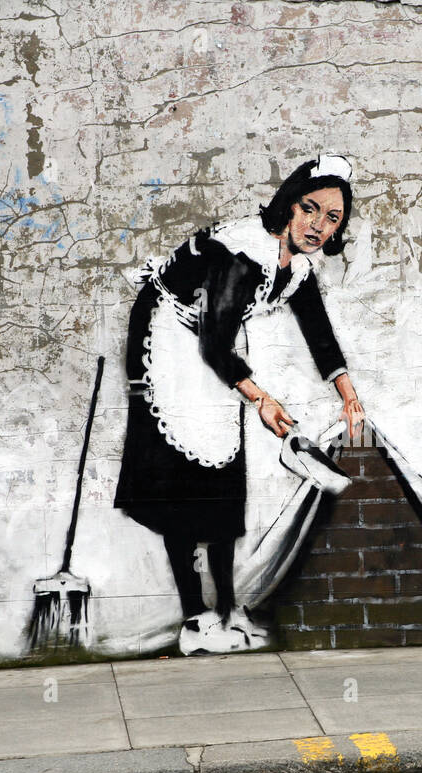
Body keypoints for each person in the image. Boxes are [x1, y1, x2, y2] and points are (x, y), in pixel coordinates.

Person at [115, 156, 367, 655]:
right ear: (288, 205)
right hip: (167, 336)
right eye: (310, 209)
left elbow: (319, 334)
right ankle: (194, 620)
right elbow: (212, 344)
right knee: (184, 479)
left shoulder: (296, 264)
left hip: (212, 341)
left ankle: (228, 613)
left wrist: (349, 399)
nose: (318, 225)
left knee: (223, 472)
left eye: (332, 218)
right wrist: (262, 399)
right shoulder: (244, 252)